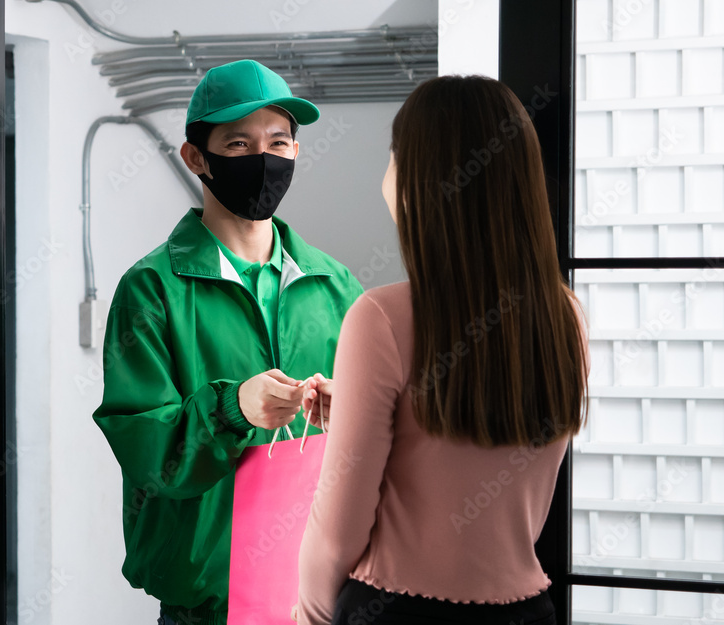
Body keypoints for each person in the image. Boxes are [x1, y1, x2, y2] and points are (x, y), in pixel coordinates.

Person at [294, 75, 590, 625]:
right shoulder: (566, 318)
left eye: (393, 158)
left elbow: (337, 534)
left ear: (417, 180)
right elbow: (485, 452)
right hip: (529, 611)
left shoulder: (379, 318)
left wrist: (308, 616)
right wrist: (366, 412)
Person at [93, 59, 364, 625]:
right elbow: (148, 455)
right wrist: (232, 409)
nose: (264, 159)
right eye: (239, 144)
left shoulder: (336, 286)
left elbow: (387, 444)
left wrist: (353, 413)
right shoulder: (152, 291)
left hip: (323, 596)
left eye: (279, 142)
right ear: (197, 158)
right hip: (206, 603)